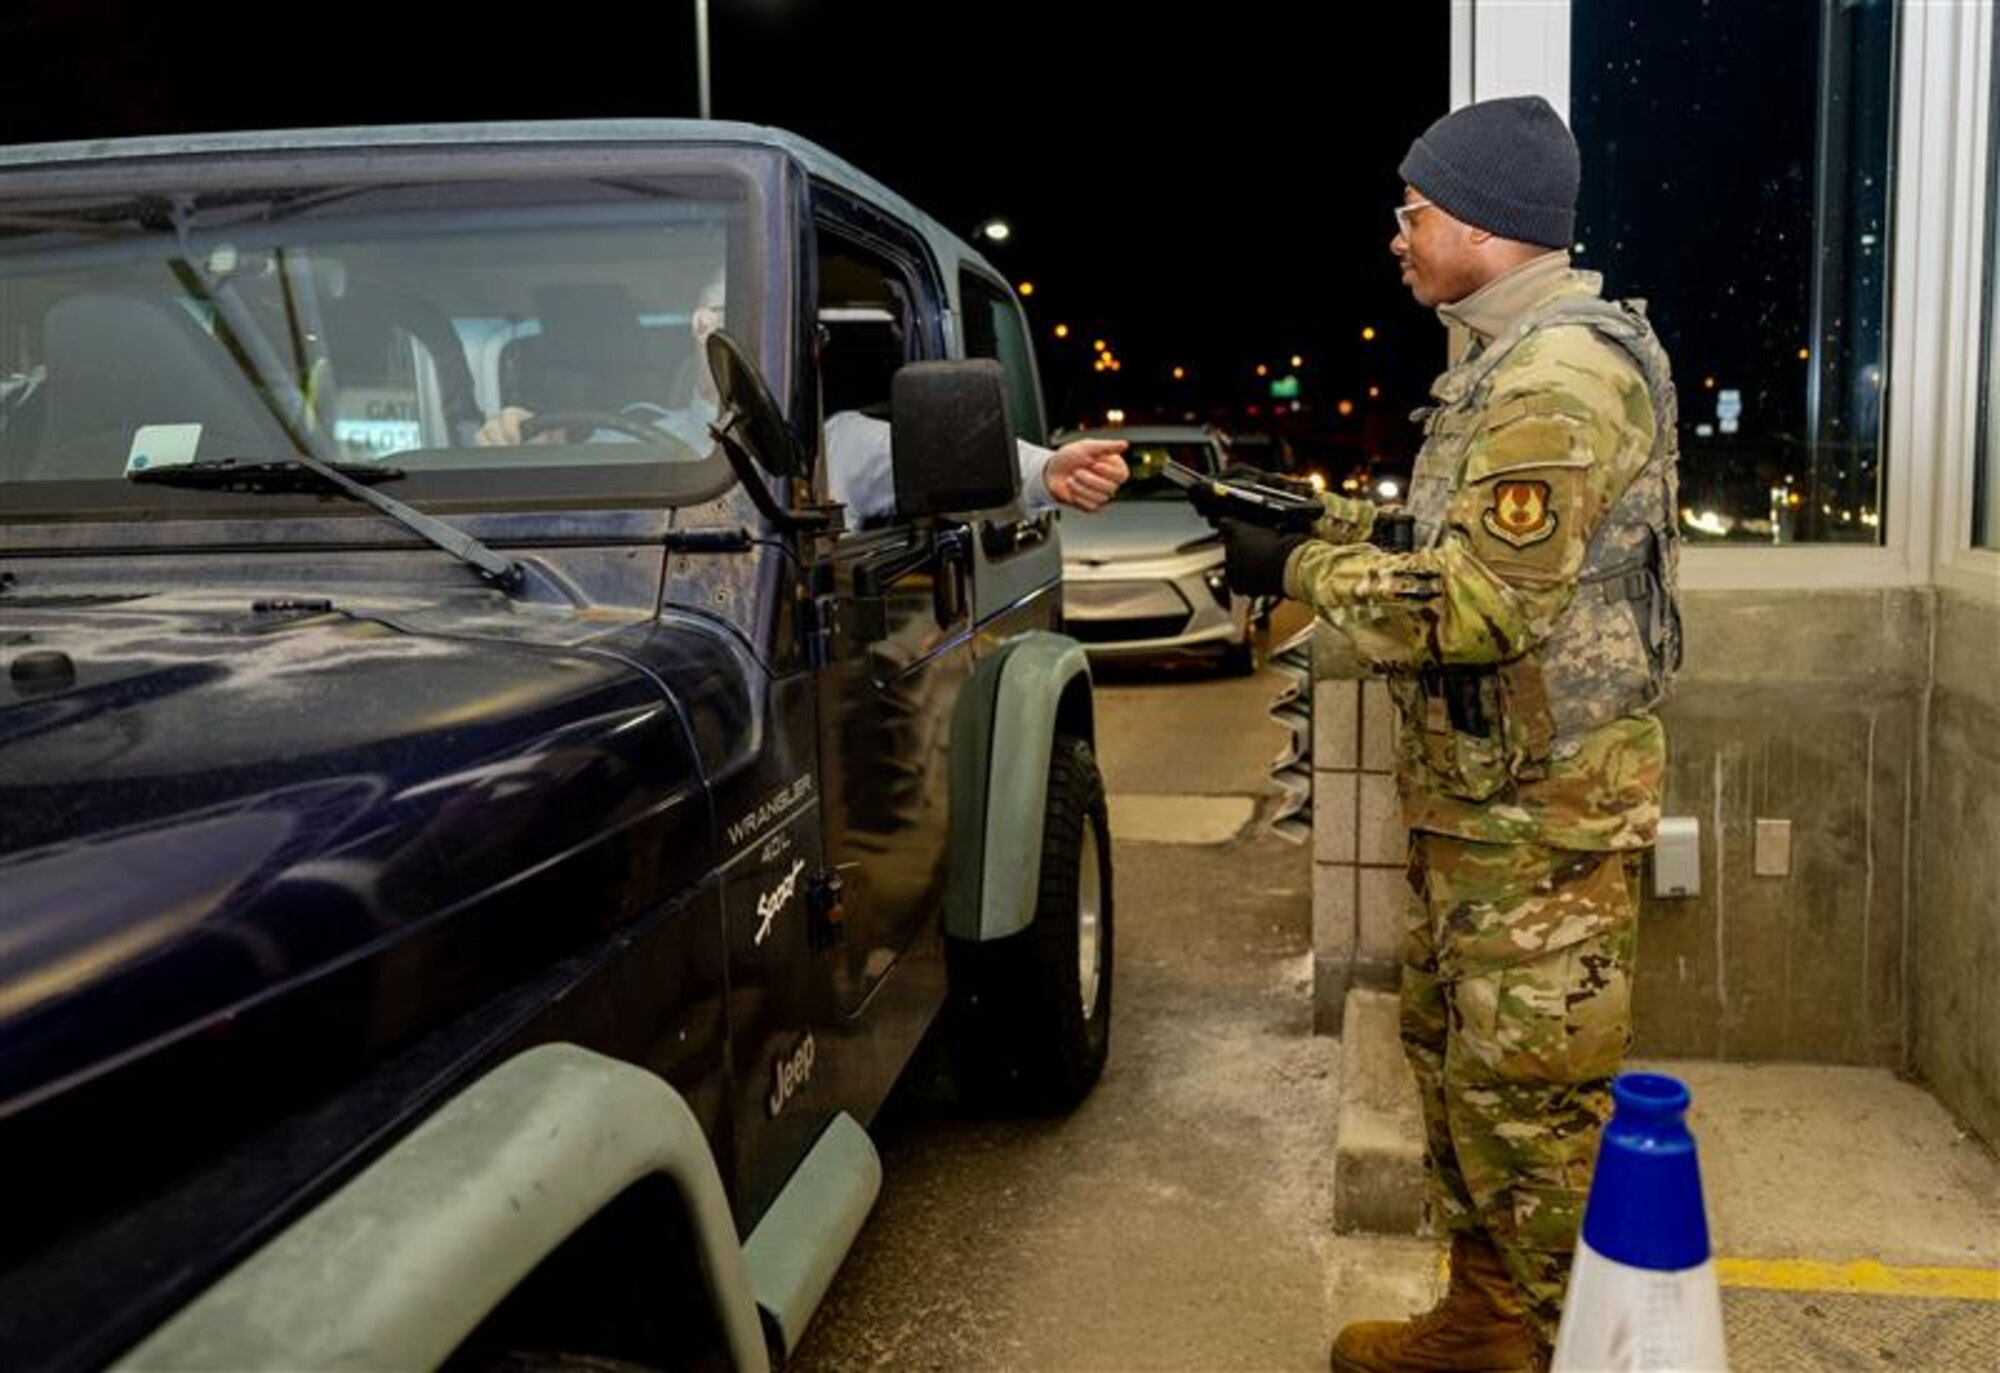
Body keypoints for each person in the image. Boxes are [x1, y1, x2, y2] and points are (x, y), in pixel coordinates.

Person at [1218, 96, 1681, 1372]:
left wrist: (1305, 568)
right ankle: (1487, 1320)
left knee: (1528, 1101)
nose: (1398, 235)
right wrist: (1328, 527)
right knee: (1459, 1066)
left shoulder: (1557, 376)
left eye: (1412, 213)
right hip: (1483, 803)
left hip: (1540, 819)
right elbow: (1456, 550)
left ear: (1477, 223)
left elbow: (1479, 602)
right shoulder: (1498, 365)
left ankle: (1545, 1341)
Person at [478, 272, 1128, 519]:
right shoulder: (631, 431)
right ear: (695, 325)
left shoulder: (833, 444)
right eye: (724, 309)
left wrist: (1046, 469)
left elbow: (942, 448)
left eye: (776, 318)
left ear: (808, 344)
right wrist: (500, 446)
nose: (737, 326)